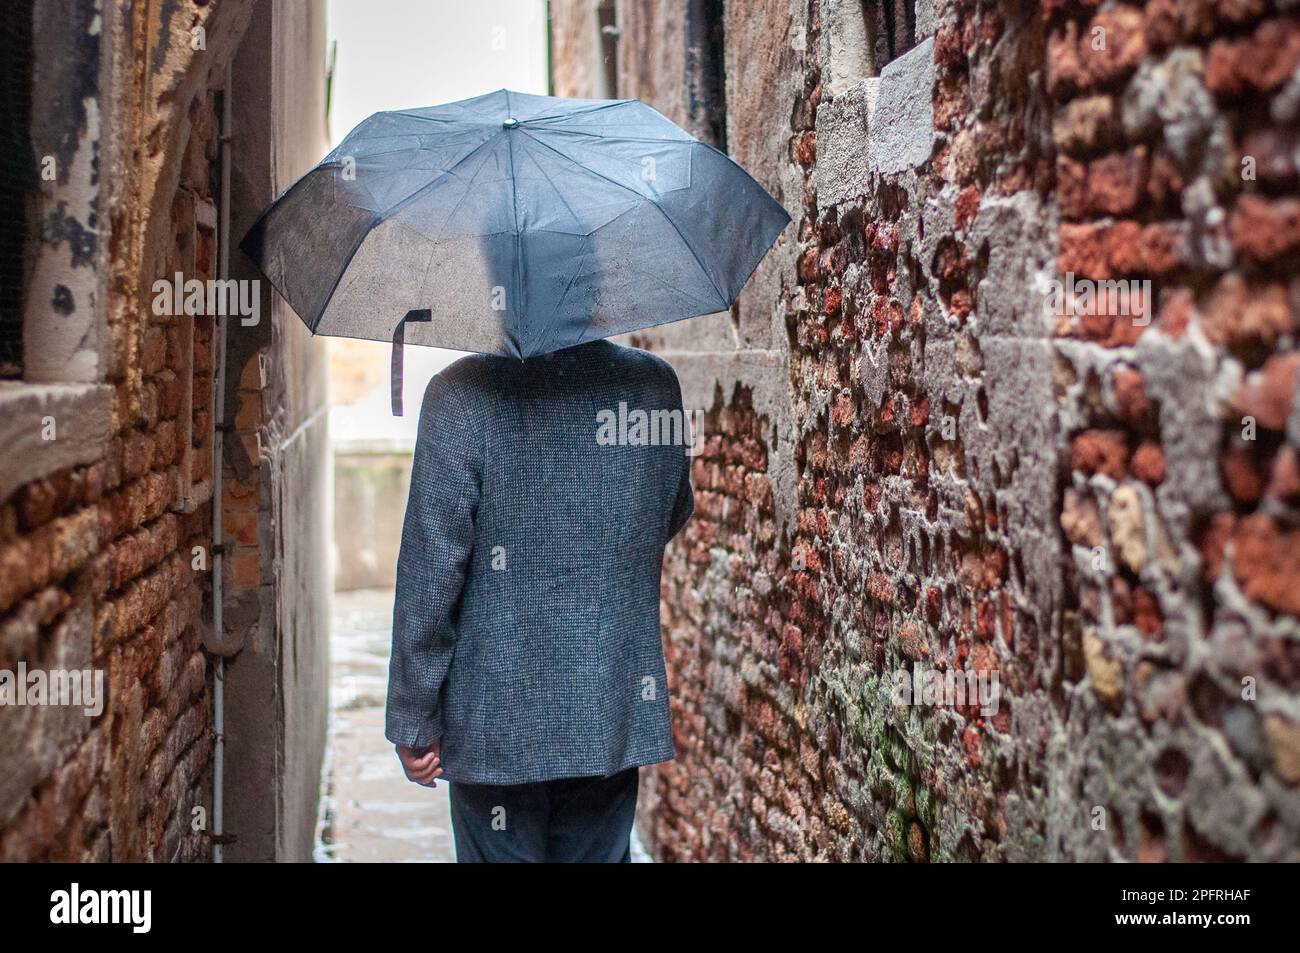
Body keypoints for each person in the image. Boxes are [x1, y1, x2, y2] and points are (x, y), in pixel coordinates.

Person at [385, 338, 694, 863]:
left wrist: (414, 717)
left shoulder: (460, 397)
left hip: (493, 725)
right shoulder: (653, 388)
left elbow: (431, 574)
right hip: (607, 710)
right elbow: (670, 511)